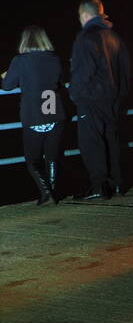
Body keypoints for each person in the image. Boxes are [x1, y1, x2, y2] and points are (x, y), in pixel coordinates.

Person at [69, 0, 131, 201]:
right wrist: (120, 96)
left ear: (85, 15)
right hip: (112, 99)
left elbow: (81, 73)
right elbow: (124, 71)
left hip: (90, 100)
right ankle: (118, 183)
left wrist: (75, 96)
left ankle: (99, 186)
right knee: (112, 140)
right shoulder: (114, 37)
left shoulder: (85, 38)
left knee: (91, 142)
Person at [2, 25, 68, 205]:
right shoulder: (54, 58)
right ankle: (53, 192)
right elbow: (60, 81)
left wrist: (4, 76)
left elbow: (7, 86)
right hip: (53, 109)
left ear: (25, 41)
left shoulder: (20, 61)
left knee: (32, 160)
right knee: (52, 156)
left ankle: (47, 192)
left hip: (33, 113)